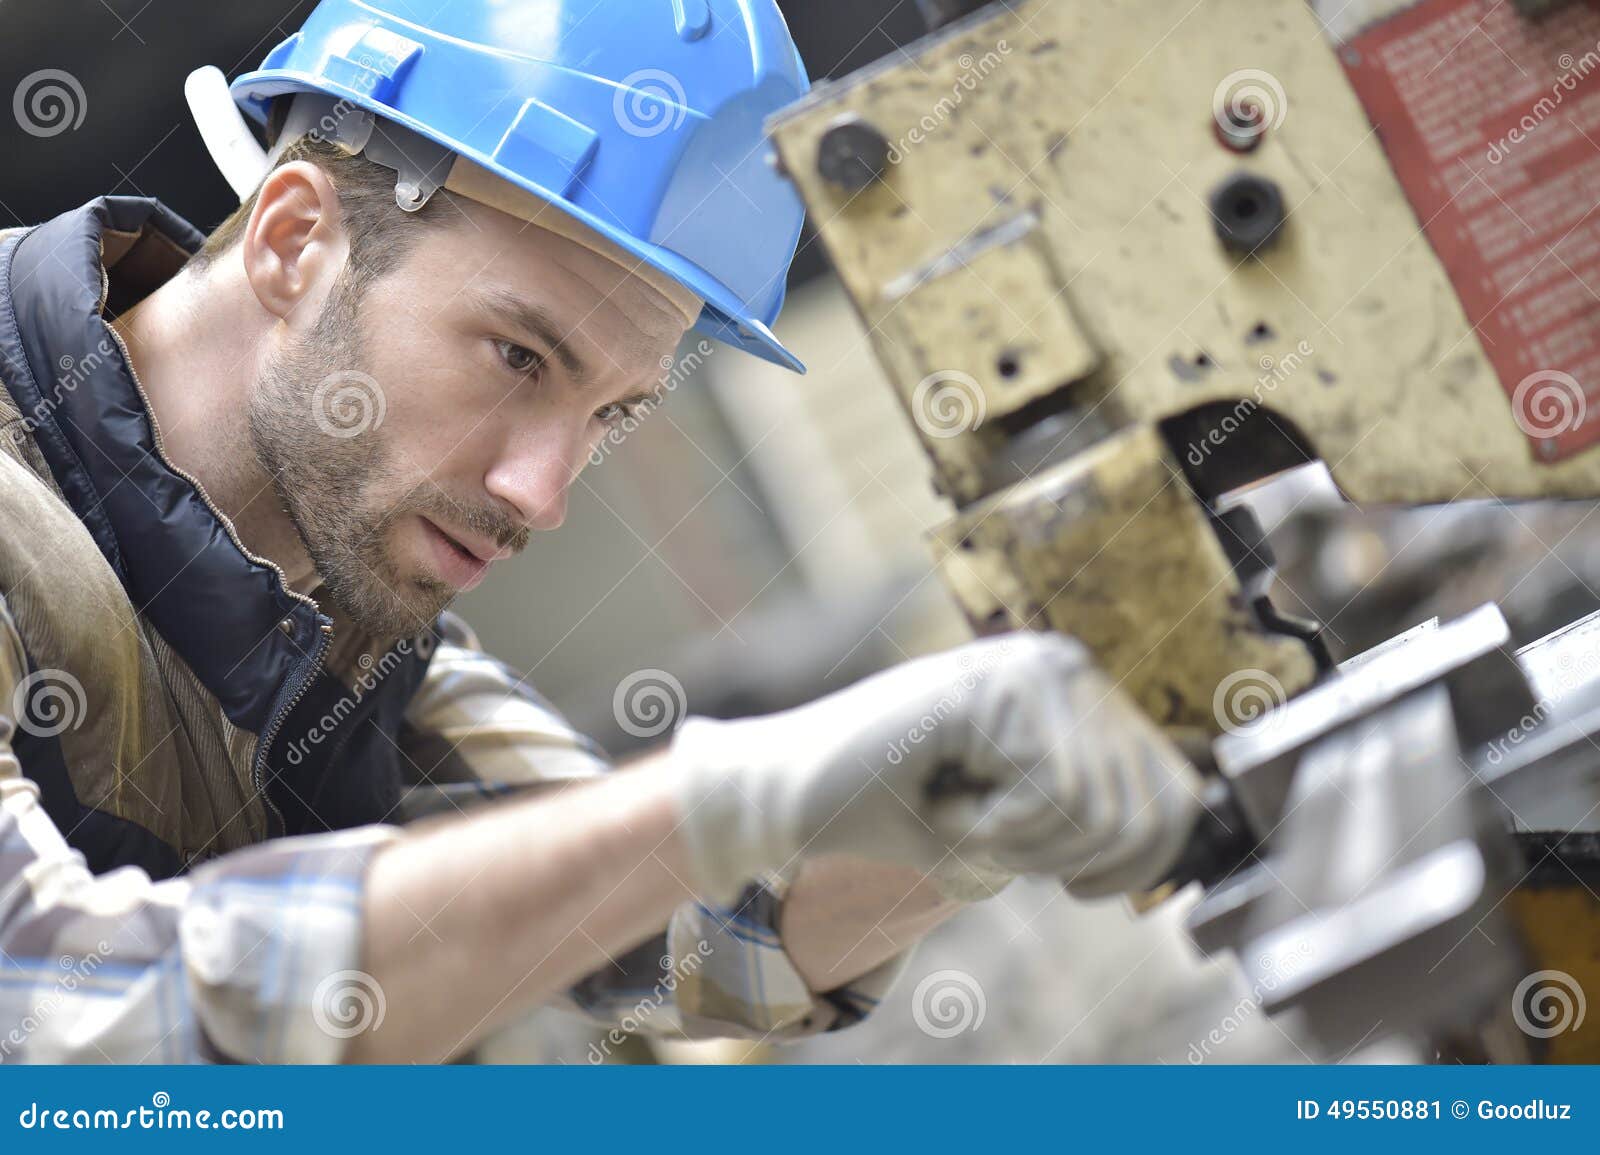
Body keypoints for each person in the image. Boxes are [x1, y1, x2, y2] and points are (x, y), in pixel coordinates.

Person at [0, 0, 1202, 1063]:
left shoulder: (337, 629)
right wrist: (719, 802)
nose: (541, 492)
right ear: (294, 240)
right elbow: (66, 1022)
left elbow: (694, 950)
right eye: (520, 357)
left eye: (609, 413)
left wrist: (964, 805)